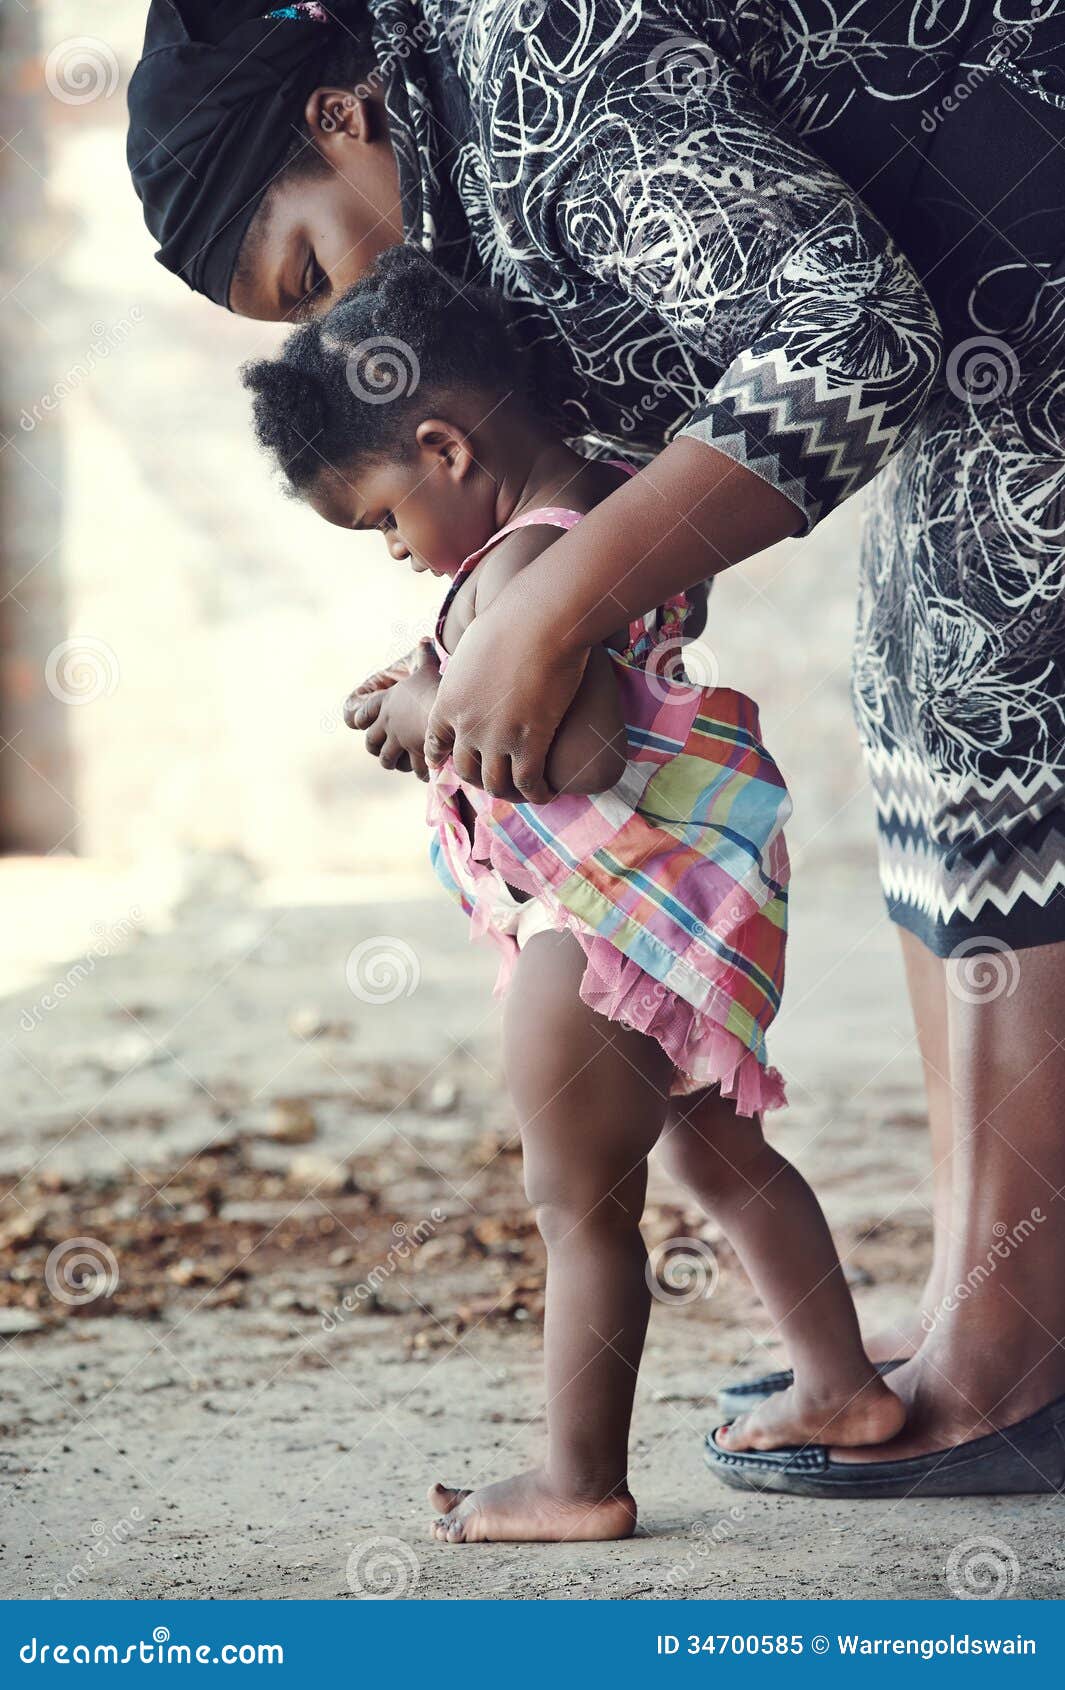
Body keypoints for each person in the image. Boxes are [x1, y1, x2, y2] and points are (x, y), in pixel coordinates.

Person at [128, 1, 1065, 1494]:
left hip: (1032, 247)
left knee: (981, 677)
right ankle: (993, 1302)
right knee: (920, 683)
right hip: (1002, 315)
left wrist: (560, 596)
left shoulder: (526, 77)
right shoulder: (470, 183)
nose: (335, 320)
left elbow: (851, 332)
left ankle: (1016, 1356)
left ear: (335, 118)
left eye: (309, 265)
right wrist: (514, 620)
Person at [239, 247, 905, 1541]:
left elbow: (580, 746)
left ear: (443, 448)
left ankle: (576, 1481)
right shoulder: (589, 518)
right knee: (721, 1151)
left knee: (580, 1205)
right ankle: (842, 1386)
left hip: (595, 932)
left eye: (380, 517)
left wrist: (430, 711)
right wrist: (427, 678)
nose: (391, 551)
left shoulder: (514, 577)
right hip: (668, 909)